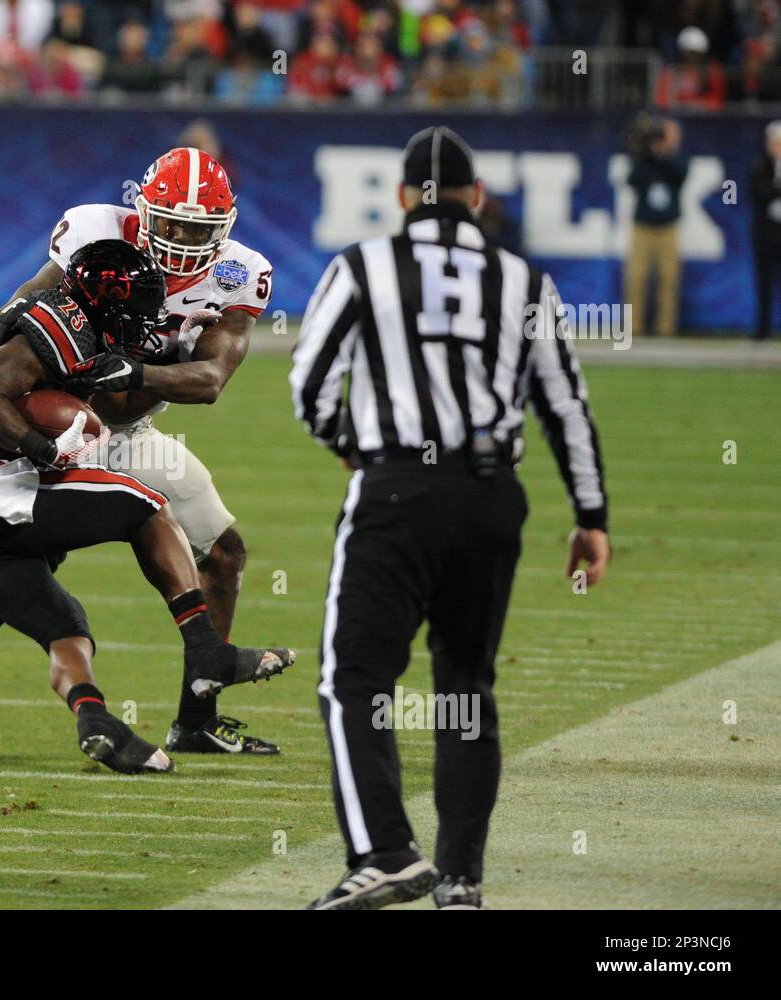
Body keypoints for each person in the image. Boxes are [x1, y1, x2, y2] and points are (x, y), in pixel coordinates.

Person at [290, 125, 610, 910]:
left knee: (354, 678)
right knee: (465, 683)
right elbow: (564, 404)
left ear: (401, 199)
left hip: (398, 487)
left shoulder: (362, 265)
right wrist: (591, 514)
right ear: (479, 199)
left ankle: (385, 851)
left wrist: (354, 445)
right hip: (493, 497)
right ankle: (461, 877)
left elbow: (309, 386)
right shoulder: (523, 280)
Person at [0, 147, 284, 756]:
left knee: (225, 553)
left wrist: (124, 370)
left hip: (130, 433)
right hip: (65, 427)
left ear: (226, 229)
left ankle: (195, 719)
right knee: (29, 561)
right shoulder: (95, 232)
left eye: (198, 229)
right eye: (172, 222)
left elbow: (210, 381)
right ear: (142, 211)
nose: (183, 239)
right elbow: (27, 306)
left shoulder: (241, 273)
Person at [624, 114, 687, 337]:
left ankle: (665, 329)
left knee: (669, 278)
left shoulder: (678, 159)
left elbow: (680, 175)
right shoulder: (643, 158)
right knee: (636, 277)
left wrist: (662, 153)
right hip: (643, 226)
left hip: (668, 226)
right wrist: (648, 152)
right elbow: (632, 179)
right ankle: (634, 326)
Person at [749, 120, 781, 340]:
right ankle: (763, 329)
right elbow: (759, 193)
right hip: (766, 232)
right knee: (764, 281)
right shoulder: (759, 164)